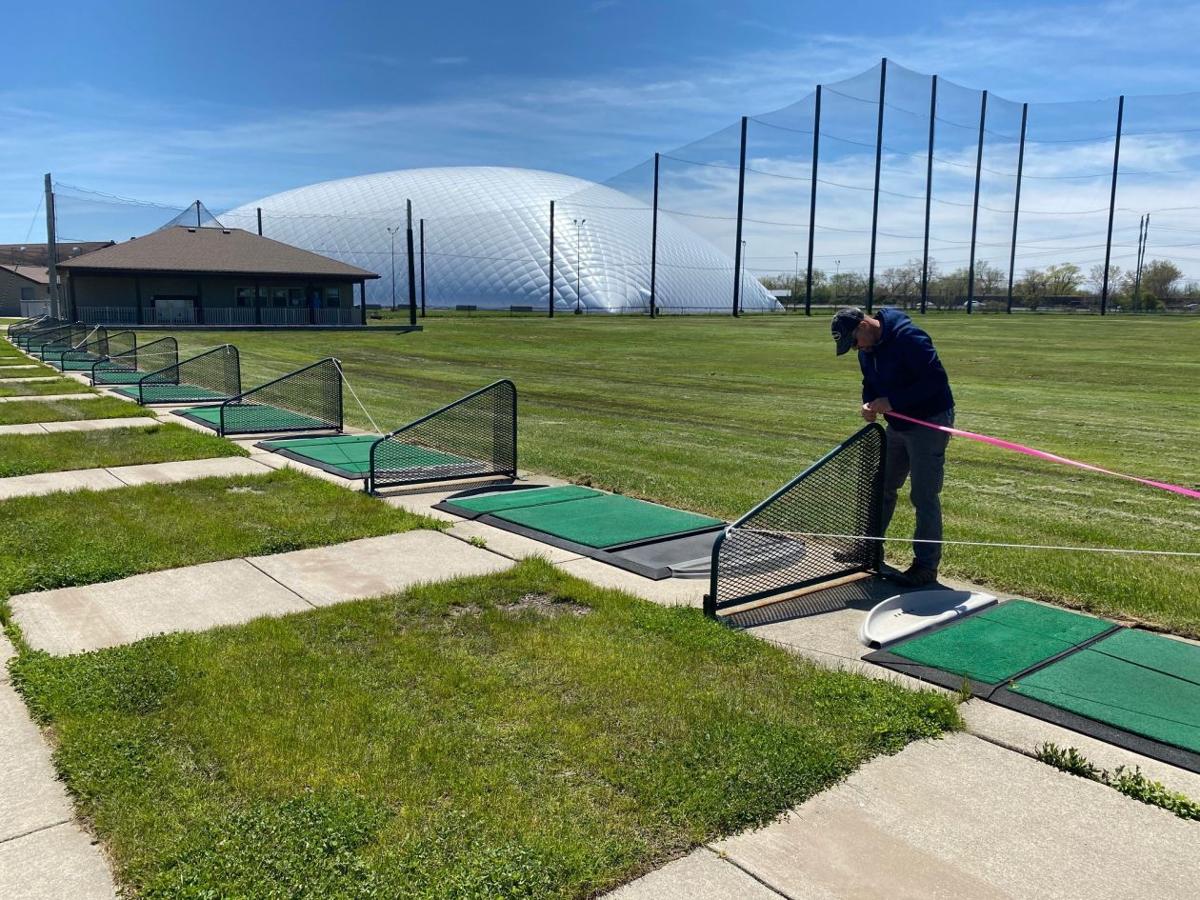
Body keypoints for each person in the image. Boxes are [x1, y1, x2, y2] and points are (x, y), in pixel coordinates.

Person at [831, 306, 955, 586]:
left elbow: (936, 381)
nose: (855, 349)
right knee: (882, 487)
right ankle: (868, 547)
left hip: (929, 422)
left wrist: (893, 401)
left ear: (864, 326)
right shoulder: (867, 350)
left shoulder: (909, 337)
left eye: (854, 341)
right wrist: (869, 403)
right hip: (898, 424)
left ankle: (926, 566)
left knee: (923, 495)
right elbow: (869, 383)